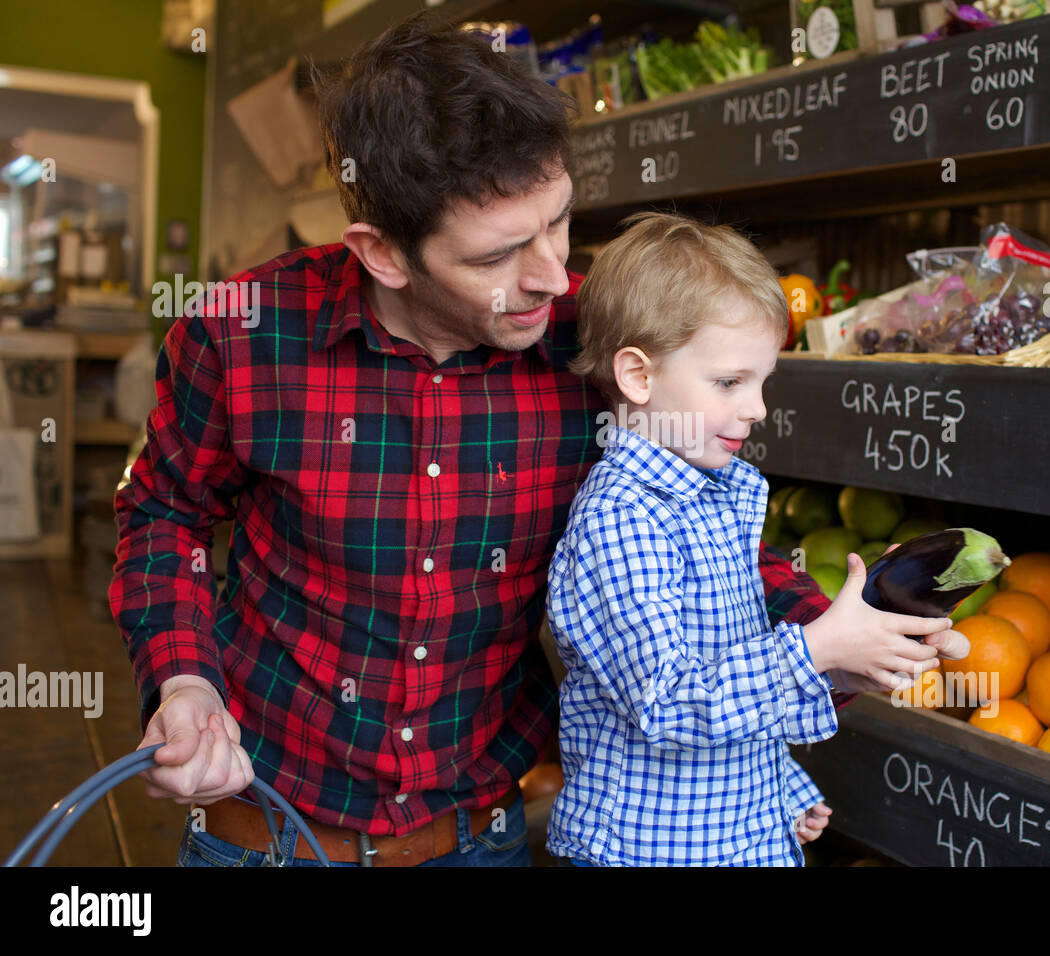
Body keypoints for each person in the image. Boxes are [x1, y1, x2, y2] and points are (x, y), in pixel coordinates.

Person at [109, 13, 959, 868]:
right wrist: (184, 681)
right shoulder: (244, 333)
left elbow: (705, 537)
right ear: (383, 253)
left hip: (484, 838)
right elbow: (162, 514)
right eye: (498, 255)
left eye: (556, 222)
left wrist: (854, 636)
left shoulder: (592, 341)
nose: (552, 276)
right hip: (267, 837)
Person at [544, 213, 965, 867]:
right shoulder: (623, 522)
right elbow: (667, 704)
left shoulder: (718, 497)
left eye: (763, 381)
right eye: (730, 382)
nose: (758, 408)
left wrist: (840, 673)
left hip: (736, 834)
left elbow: (735, 678)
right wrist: (817, 646)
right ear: (638, 377)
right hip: (651, 852)